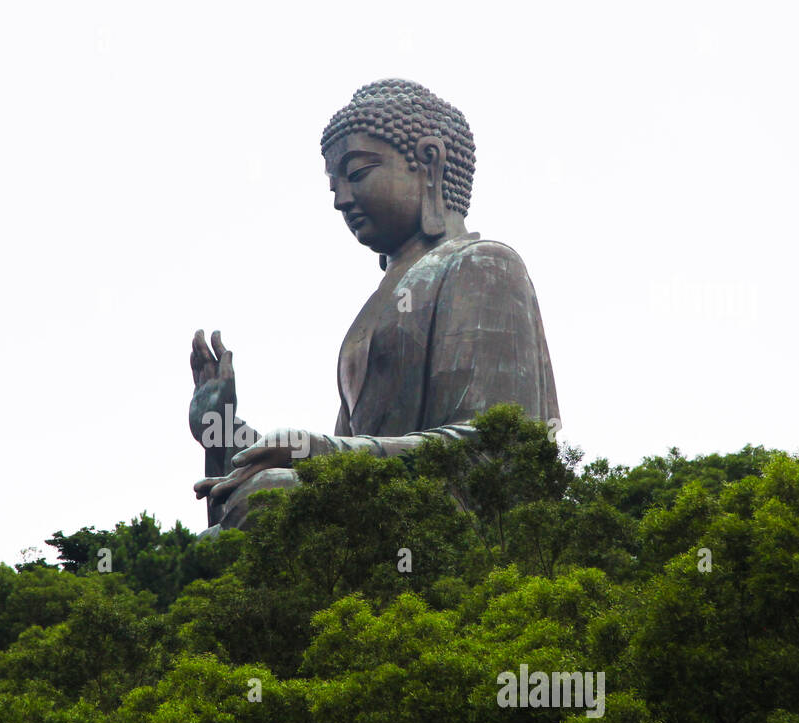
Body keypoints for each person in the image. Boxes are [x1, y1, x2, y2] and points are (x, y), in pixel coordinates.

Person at [190, 78, 561, 530]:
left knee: (271, 499)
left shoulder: (484, 265)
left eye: (358, 173)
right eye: (334, 185)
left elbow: (496, 449)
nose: (341, 200)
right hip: (378, 516)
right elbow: (350, 460)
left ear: (429, 161)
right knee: (250, 496)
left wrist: (318, 451)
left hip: (449, 525)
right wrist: (224, 431)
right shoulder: (375, 310)